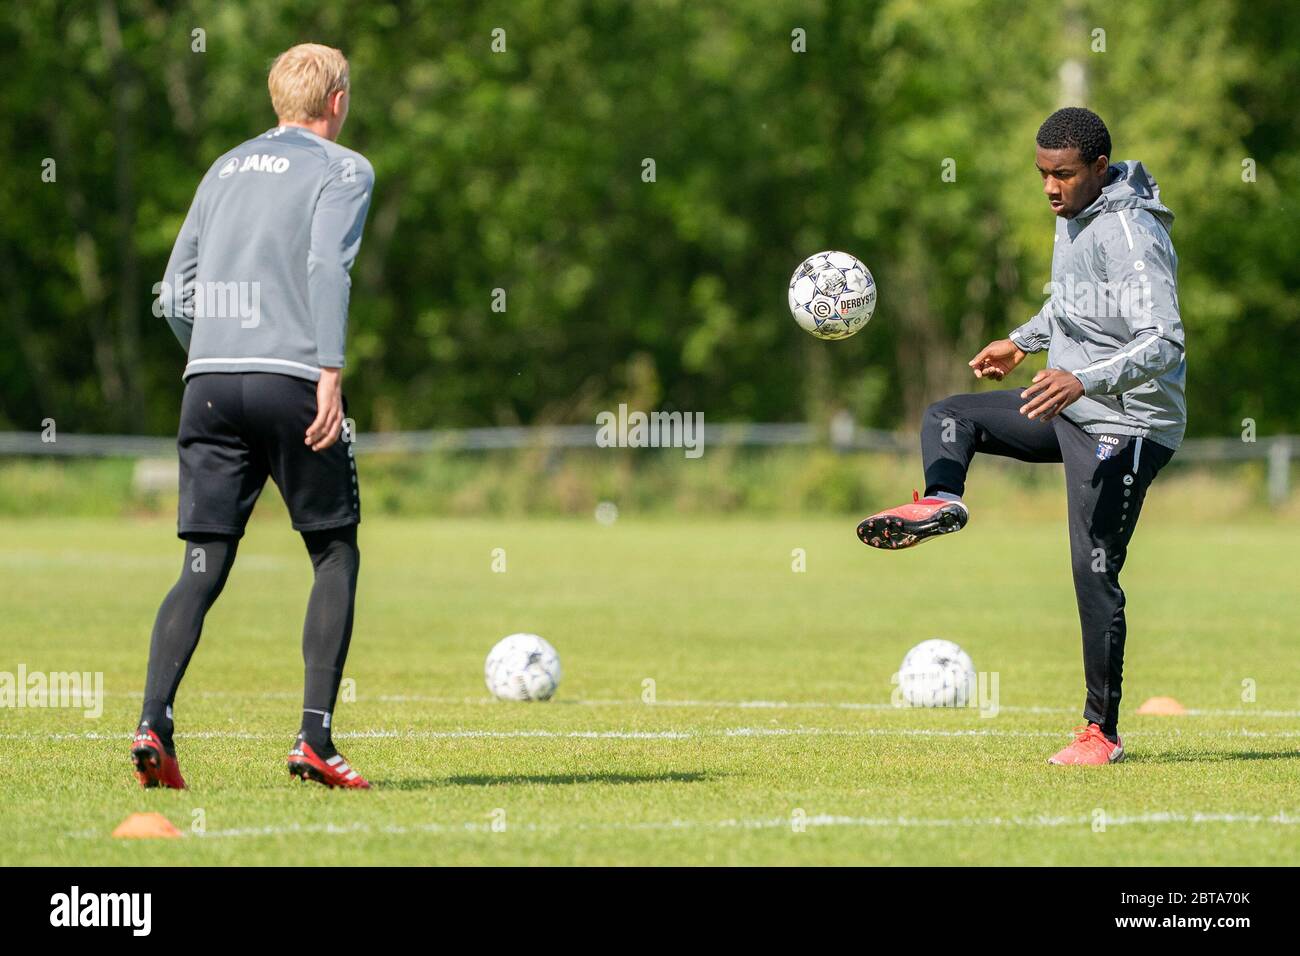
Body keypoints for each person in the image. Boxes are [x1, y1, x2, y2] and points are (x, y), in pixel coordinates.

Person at [857, 107, 1186, 765]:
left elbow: (1164, 339)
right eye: (1041, 174)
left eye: (1062, 174)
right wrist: (1022, 341)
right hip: (1073, 403)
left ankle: (1102, 733)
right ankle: (943, 499)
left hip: (1128, 425)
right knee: (951, 416)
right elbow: (1070, 303)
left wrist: (1082, 380)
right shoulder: (1074, 214)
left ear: (1098, 168)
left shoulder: (1130, 233)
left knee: (1092, 567)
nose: (1049, 188)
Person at [133, 43, 375, 789]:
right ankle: (314, 741)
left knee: (202, 562)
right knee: (334, 551)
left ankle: (153, 722)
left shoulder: (224, 166)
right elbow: (326, 266)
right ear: (335, 100)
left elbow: (174, 292)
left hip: (206, 382)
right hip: (292, 379)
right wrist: (330, 368)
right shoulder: (345, 168)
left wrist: (211, 348)